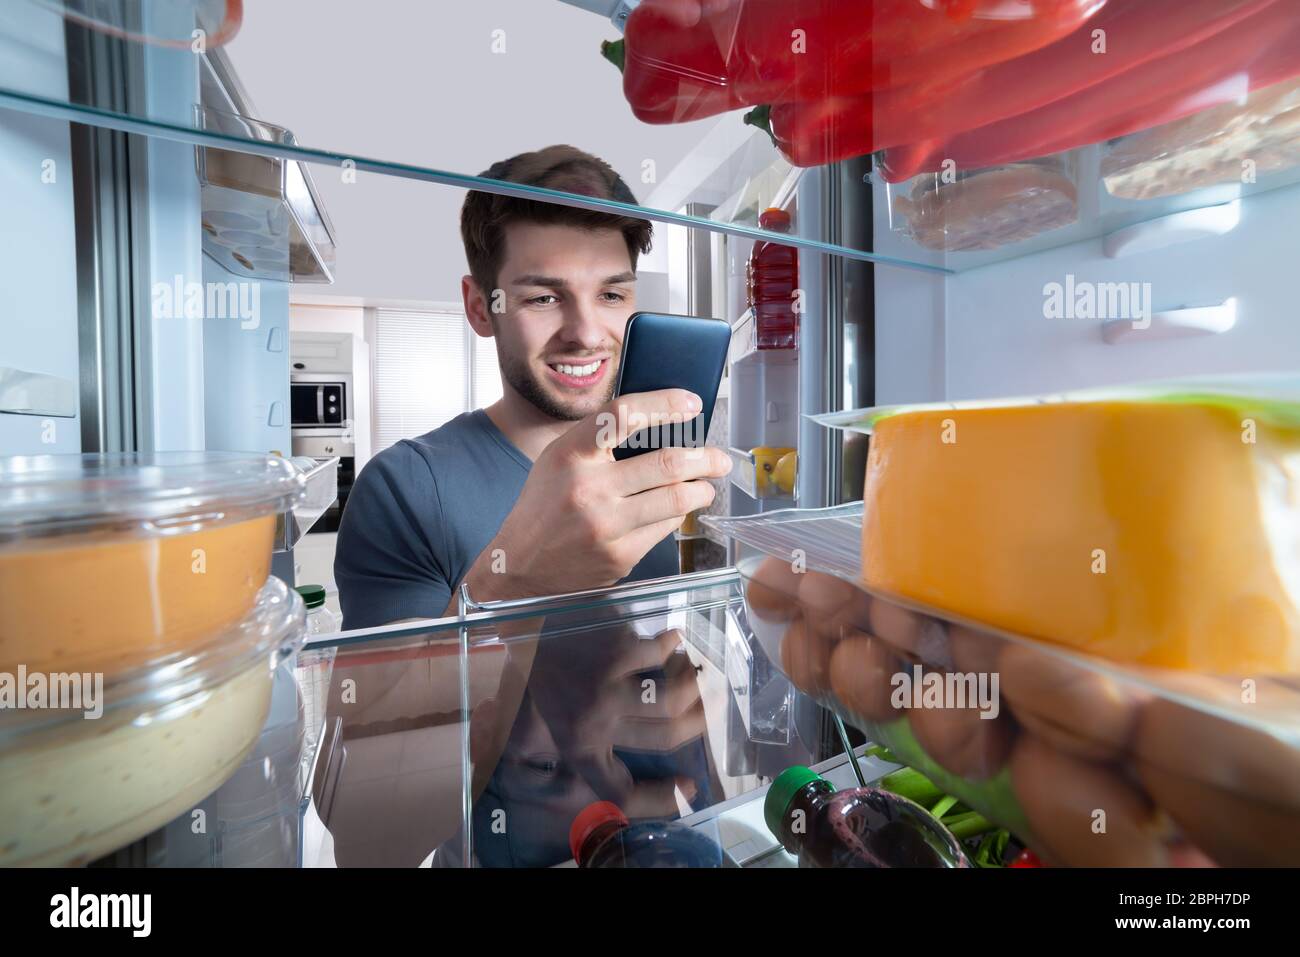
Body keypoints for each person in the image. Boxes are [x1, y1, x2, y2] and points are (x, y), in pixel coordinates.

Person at [333, 145, 733, 866]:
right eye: (544, 296)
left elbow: (661, 687)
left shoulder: (644, 466)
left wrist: (708, 794)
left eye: (612, 293)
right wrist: (515, 581)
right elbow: (372, 833)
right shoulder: (407, 488)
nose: (586, 330)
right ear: (478, 306)